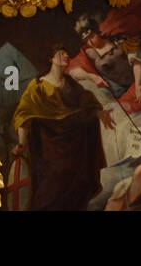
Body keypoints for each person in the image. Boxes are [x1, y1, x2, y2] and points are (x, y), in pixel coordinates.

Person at [10, 47, 108, 212]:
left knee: (78, 189)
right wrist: (21, 143)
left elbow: (88, 102)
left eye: (66, 53)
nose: (66, 56)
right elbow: (24, 115)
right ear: (51, 59)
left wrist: (99, 113)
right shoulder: (38, 86)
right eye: (61, 53)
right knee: (50, 191)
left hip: (77, 151)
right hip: (50, 152)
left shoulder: (70, 83)